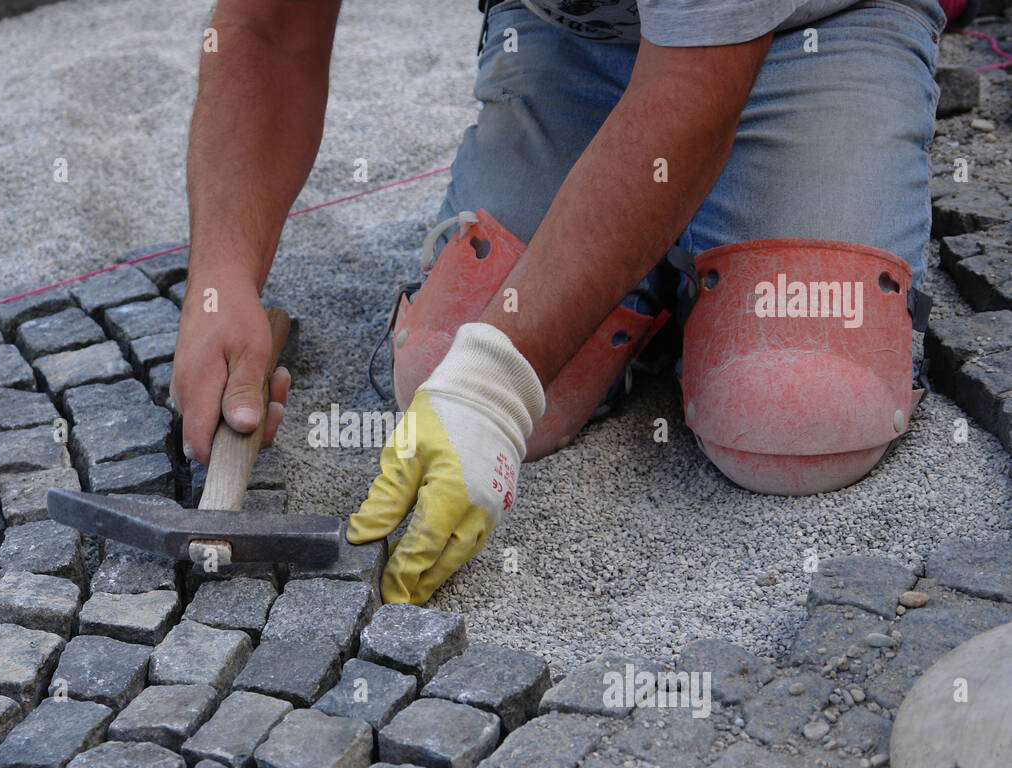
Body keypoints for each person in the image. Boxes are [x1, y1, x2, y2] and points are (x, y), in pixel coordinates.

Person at [172, 0, 953, 605]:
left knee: (795, 412)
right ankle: (665, 276)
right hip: (571, 41)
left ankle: (697, 268)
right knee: (439, 364)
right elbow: (269, 30)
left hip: (815, 35)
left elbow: (695, 91)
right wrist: (222, 281)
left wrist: (494, 383)